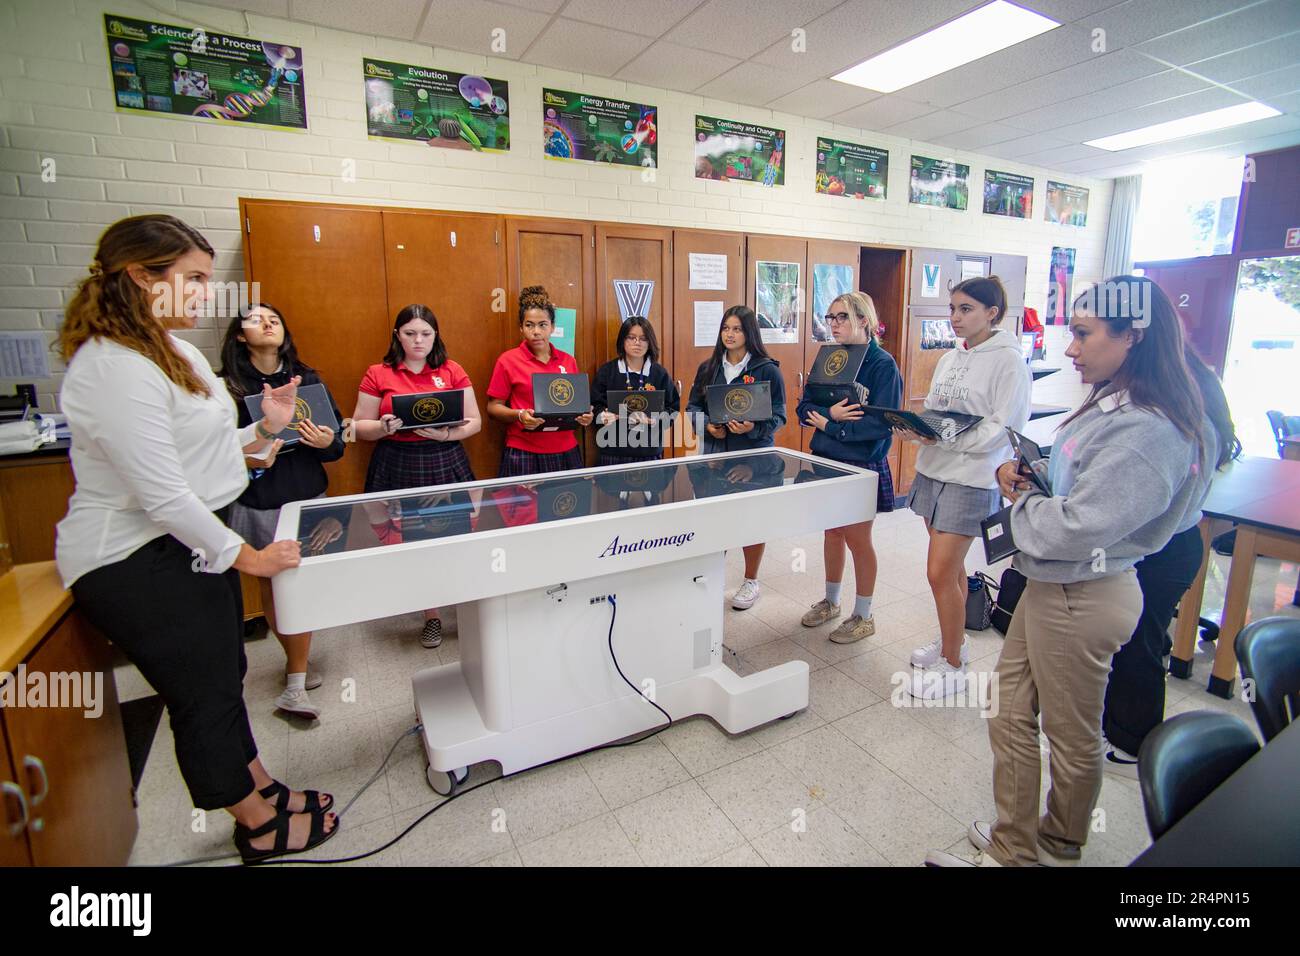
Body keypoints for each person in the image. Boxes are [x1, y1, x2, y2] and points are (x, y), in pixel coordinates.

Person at [55, 214, 337, 862]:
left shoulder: (172, 350)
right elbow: (163, 495)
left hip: (188, 543)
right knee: (201, 691)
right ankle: (256, 824)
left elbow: (205, 453)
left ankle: (260, 783)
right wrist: (251, 556)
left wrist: (266, 428)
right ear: (140, 276)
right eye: (194, 278)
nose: (207, 293)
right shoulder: (112, 367)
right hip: (133, 558)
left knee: (225, 672)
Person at [926, 275, 1210, 867]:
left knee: (1070, 734)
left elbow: (1075, 526)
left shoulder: (1149, 429)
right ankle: (1018, 841)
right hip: (1053, 585)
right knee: (1009, 712)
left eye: (1082, 334)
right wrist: (1030, 473)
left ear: (1133, 336)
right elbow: (1078, 477)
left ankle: (1051, 847)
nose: (1071, 349)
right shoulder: (1114, 402)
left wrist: (1023, 503)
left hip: (1084, 593)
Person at [1101, 345, 1236, 774]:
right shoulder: (1179, 406)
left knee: (1139, 643)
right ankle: (1115, 724)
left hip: (1164, 549)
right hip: (1168, 546)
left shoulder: (1174, 425)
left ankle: (1133, 742)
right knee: (1138, 640)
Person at [899, 276, 1031, 698]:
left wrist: (945, 438)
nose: (955, 317)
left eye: (966, 309)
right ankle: (953, 642)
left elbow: (1003, 428)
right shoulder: (950, 357)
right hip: (935, 471)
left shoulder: (1009, 362)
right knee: (951, 571)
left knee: (938, 571)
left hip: (971, 478)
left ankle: (952, 666)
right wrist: (919, 429)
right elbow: (936, 409)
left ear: (992, 313)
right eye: (952, 308)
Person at [218, 303, 345, 720]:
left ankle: (297, 669)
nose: (268, 324)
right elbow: (215, 453)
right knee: (273, 588)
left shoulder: (308, 380)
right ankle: (295, 676)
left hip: (306, 495)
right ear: (240, 335)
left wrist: (325, 441)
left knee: (301, 585)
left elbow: (336, 446)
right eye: (256, 320)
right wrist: (250, 457)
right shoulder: (227, 388)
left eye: (274, 319)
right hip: (260, 499)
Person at [351, 304, 482, 648]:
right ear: (397, 335)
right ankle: (431, 615)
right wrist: (381, 427)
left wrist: (446, 434)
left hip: (444, 458)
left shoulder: (451, 370)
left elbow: (475, 421)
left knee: (453, 532)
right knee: (411, 541)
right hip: (397, 461)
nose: (418, 340)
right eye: (410, 333)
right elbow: (357, 427)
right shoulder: (378, 373)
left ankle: (465, 605)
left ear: (436, 335)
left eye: (425, 333)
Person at [795, 292, 902, 643]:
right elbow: (803, 408)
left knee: (857, 538)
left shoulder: (883, 365)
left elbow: (880, 425)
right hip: (827, 457)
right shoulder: (829, 357)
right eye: (831, 318)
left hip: (861, 462)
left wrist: (831, 426)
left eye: (842, 317)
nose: (834, 324)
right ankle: (831, 601)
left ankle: (864, 615)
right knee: (832, 533)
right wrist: (830, 415)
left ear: (864, 321)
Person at [685, 305, 787, 610]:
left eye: (737, 329)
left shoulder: (767, 369)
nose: (729, 335)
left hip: (753, 457)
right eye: (725, 328)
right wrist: (708, 426)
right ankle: (712, 575)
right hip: (715, 456)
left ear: (749, 333)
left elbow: (779, 416)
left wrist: (753, 427)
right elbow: (692, 408)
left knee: (751, 520)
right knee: (714, 518)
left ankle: (751, 580)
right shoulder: (708, 367)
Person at [486, 285, 594, 477]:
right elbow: (493, 407)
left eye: (543, 325)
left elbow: (575, 405)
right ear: (521, 328)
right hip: (524, 451)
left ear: (552, 327)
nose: (536, 332)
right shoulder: (508, 360)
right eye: (529, 325)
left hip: (566, 449)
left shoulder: (568, 360)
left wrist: (585, 416)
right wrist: (520, 415)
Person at [591, 316, 679, 467]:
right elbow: (594, 406)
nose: (637, 343)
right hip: (613, 450)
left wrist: (655, 420)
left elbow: (672, 409)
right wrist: (602, 416)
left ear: (650, 342)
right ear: (622, 340)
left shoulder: (659, 373)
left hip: (649, 451)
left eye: (643, 339)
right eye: (631, 337)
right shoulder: (607, 371)